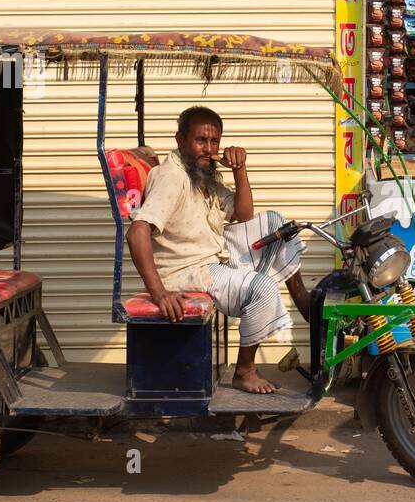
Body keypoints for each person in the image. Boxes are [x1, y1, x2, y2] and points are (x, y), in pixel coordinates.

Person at [127, 106, 310, 395]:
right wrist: (159, 292)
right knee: (261, 288)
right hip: (186, 271)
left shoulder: (202, 173)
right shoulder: (172, 177)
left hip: (211, 254)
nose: (209, 149)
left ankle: (306, 306)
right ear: (180, 140)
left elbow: (244, 215)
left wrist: (240, 170)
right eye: (201, 141)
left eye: (214, 142)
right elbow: (137, 231)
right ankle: (244, 371)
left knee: (276, 224)